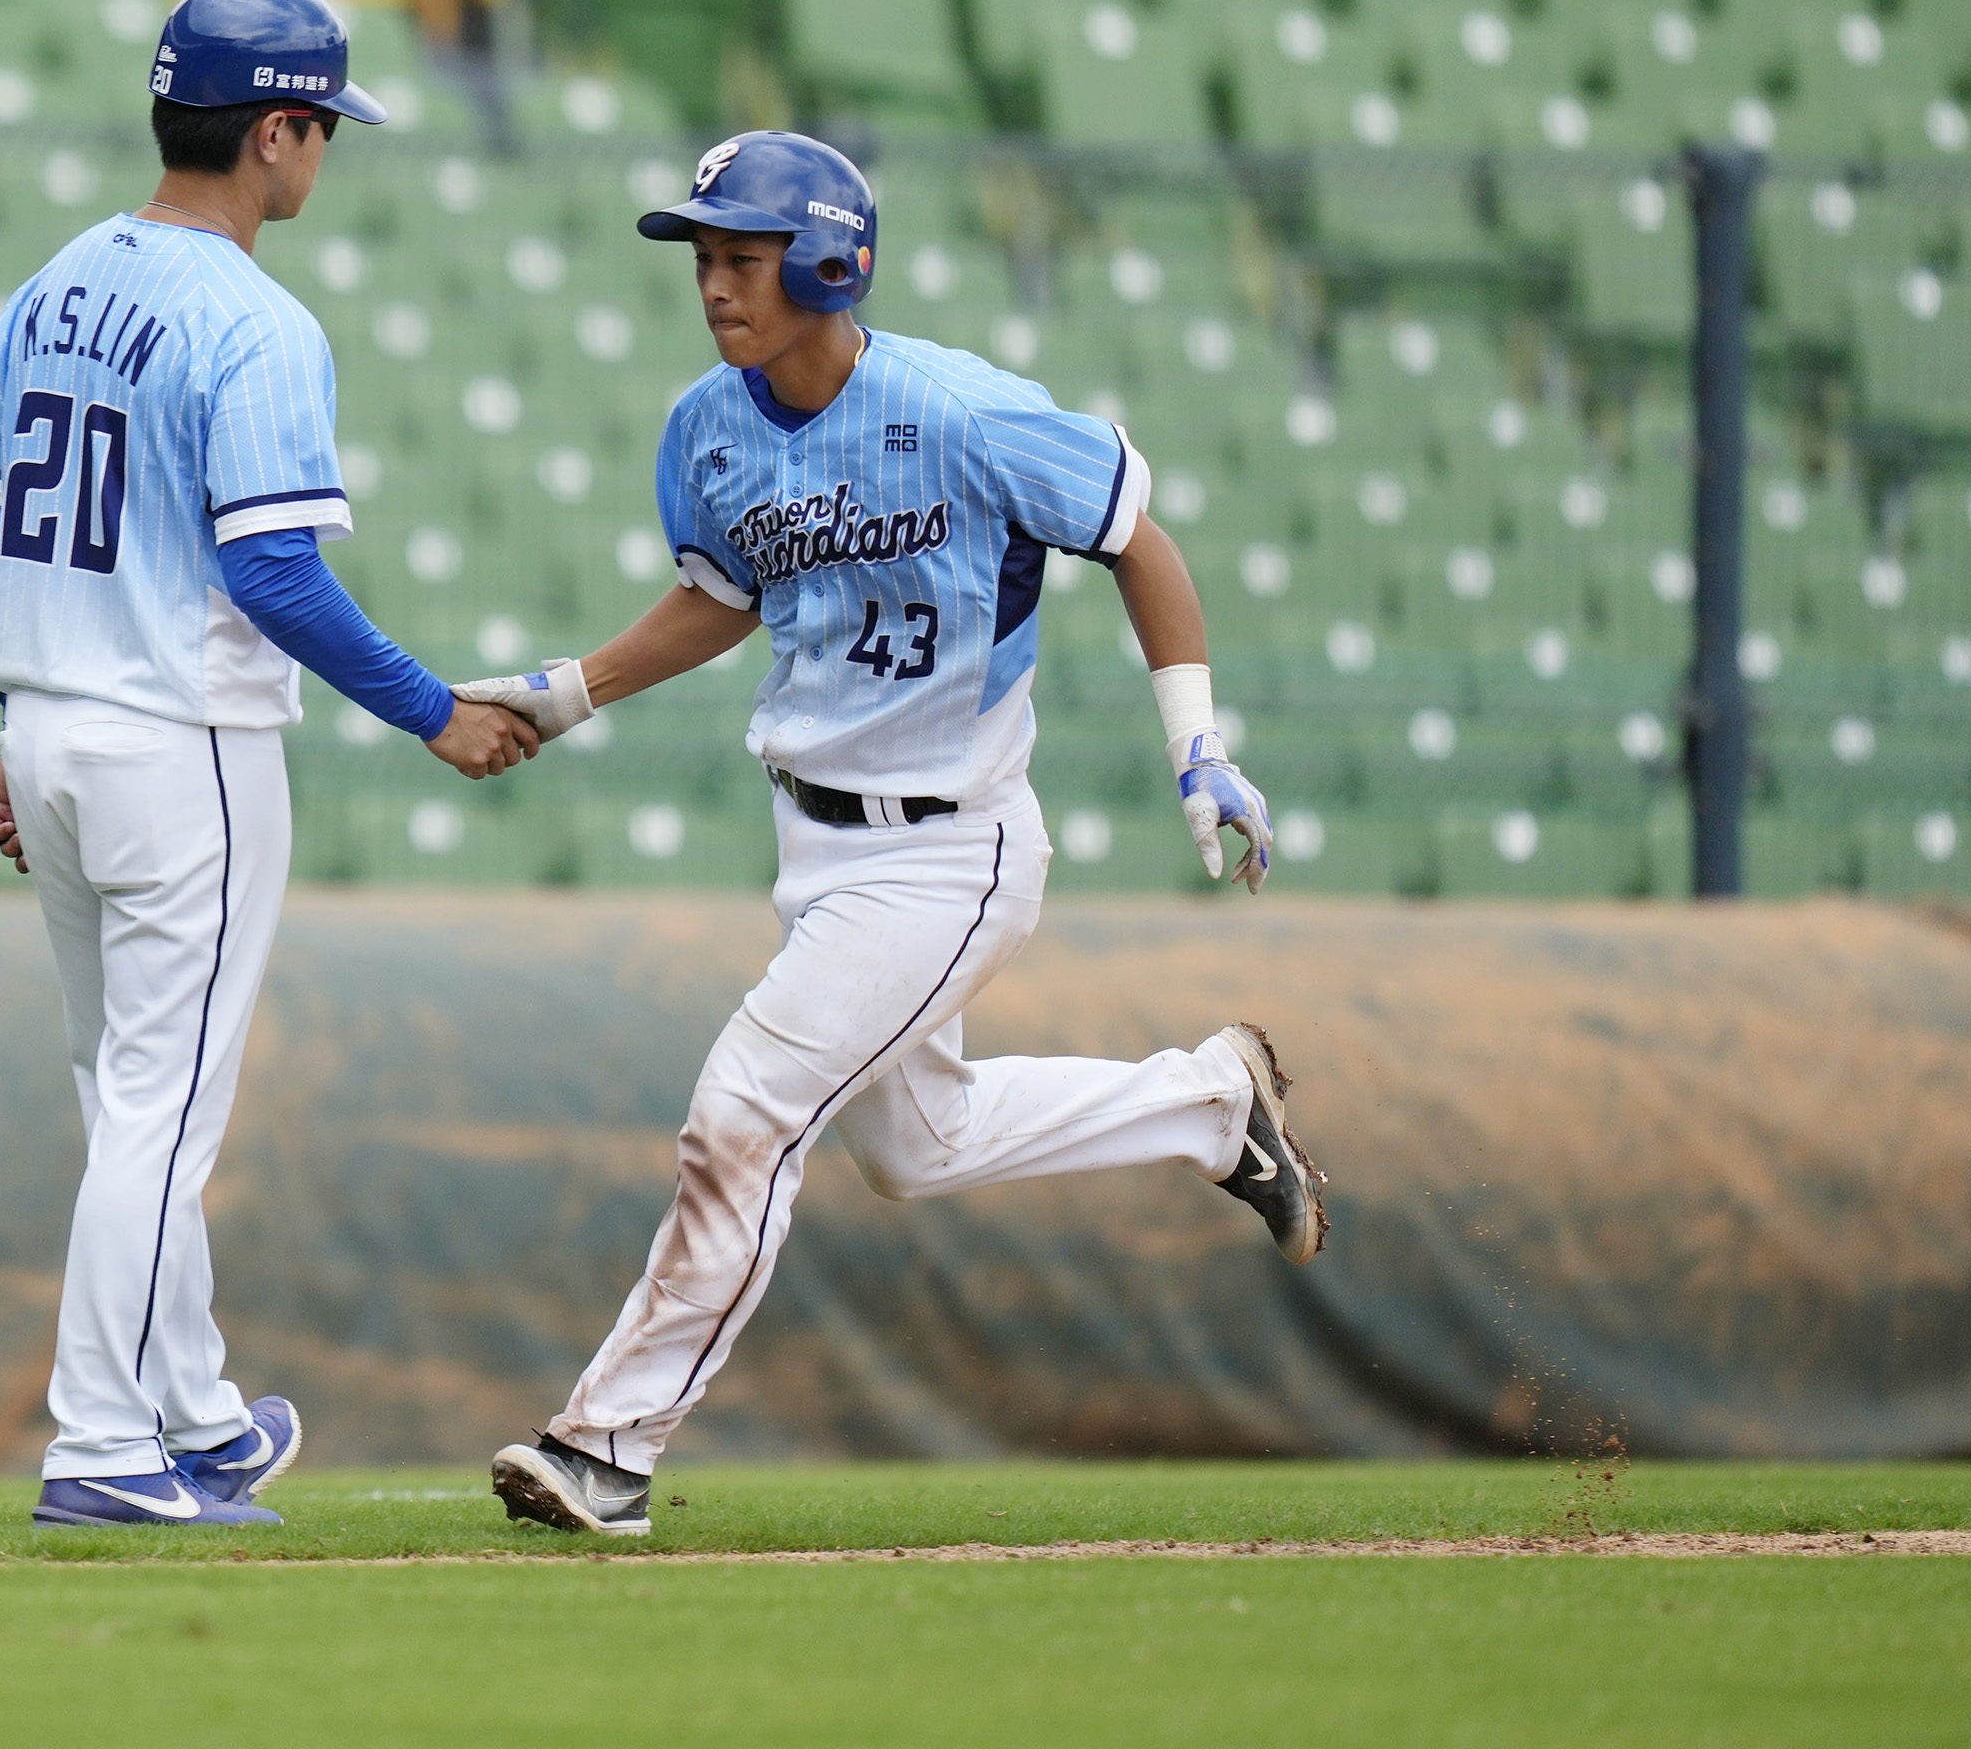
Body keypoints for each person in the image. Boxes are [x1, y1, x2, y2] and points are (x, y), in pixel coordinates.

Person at [462, 131, 1328, 1537]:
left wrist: (1198, 748)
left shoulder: (965, 413)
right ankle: (1212, 1103)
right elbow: (724, 595)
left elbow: (1139, 541)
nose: (715, 285)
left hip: (951, 847)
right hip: (819, 845)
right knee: (918, 1146)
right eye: (703, 256)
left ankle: (606, 1446)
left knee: (742, 1114)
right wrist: (565, 696)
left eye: (741, 256)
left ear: (828, 259)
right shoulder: (710, 428)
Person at [0, 0, 538, 1529]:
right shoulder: (254, 318)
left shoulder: (51, 283)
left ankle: (198, 1415)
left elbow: (18, 522)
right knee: (162, 1110)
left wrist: (16, 738)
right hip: (180, 742)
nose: (322, 156)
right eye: (320, 128)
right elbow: (274, 574)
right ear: (277, 130)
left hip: (54, 716)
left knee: (125, 1096)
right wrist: (434, 707)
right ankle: (103, 1443)